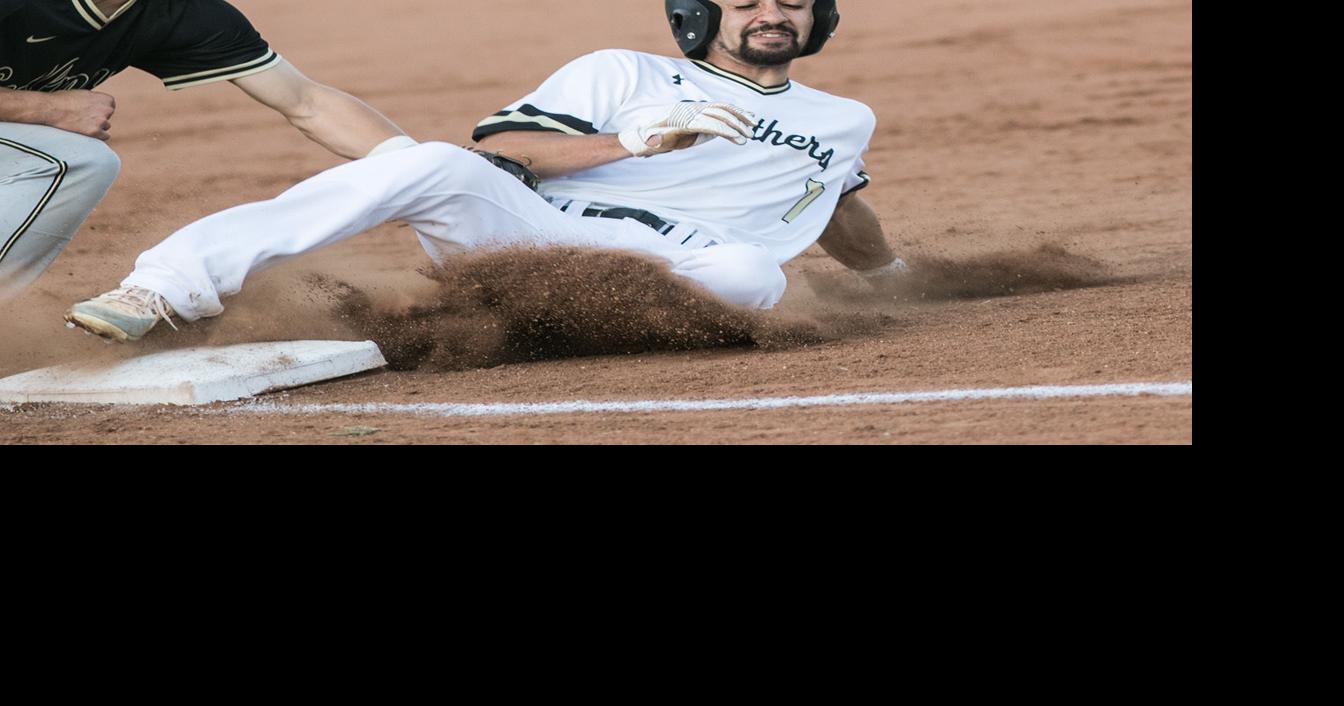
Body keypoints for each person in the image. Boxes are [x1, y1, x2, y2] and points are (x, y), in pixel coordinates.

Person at [64, 0, 907, 342]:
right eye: (751, 0)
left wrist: (900, 277)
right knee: (427, 162)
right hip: (535, 229)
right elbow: (506, 150)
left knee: (755, 273)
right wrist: (631, 144)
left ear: (819, 17)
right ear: (705, 11)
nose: (771, 14)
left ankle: (550, 326)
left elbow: (839, 211)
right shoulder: (625, 72)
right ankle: (166, 285)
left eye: (792, 1)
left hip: (689, 262)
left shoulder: (842, 119)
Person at [1, 0, 409, 302]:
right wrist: (44, 107)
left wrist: (417, 163)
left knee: (73, 156)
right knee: (79, 160)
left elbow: (305, 102)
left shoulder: (178, 13)